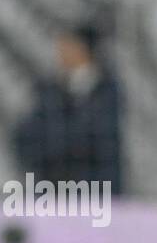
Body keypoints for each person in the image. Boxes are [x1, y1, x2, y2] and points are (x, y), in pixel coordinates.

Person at [13, 22, 124, 193]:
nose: (61, 53)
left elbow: (100, 141)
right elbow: (26, 135)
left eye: (68, 46)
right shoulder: (48, 91)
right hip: (53, 189)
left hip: (97, 191)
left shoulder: (107, 91)